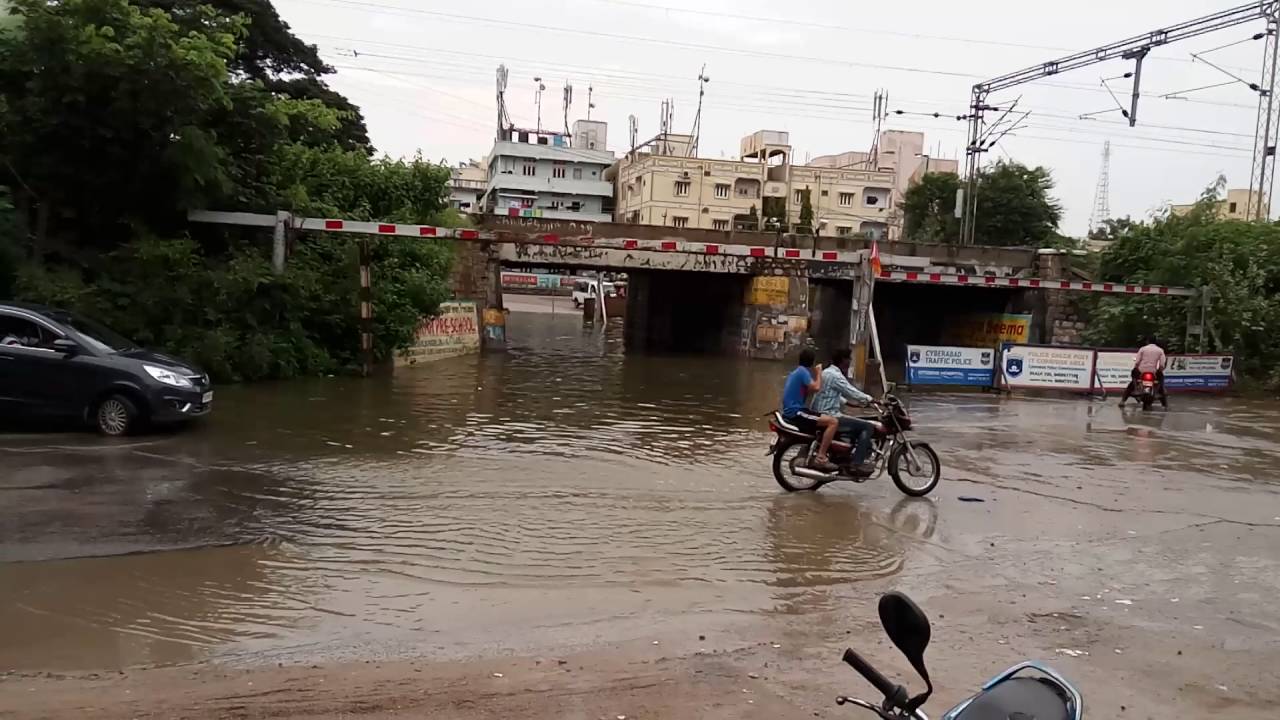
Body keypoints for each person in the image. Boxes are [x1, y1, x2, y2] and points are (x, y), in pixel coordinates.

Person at [810, 348, 877, 475]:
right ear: (843, 360)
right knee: (868, 427)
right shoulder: (836, 376)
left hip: (820, 413)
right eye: (849, 358)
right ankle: (857, 464)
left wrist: (848, 403)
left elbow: (829, 393)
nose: (850, 361)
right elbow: (851, 391)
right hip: (831, 415)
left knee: (855, 423)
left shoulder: (826, 372)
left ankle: (845, 455)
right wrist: (872, 399)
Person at [780, 347, 839, 471]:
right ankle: (821, 457)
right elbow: (817, 387)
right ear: (812, 362)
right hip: (796, 412)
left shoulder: (796, 372)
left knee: (822, 419)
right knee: (833, 422)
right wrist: (818, 372)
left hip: (793, 410)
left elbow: (809, 390)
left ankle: (815, 450)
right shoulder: (803, 372)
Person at [1120, 335, 1168, 408]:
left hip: (1141, 371)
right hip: (1153, 372)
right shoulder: (1160, 350)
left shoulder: (1142, 349)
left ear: (1147, 341)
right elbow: (1162, 364)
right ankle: (1164, 403)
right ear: (1156, 342)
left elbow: (1137, 362)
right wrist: (1159, 370)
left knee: (1132, 381)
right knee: (1160, 381)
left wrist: (1136, 367)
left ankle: (1123, 400)